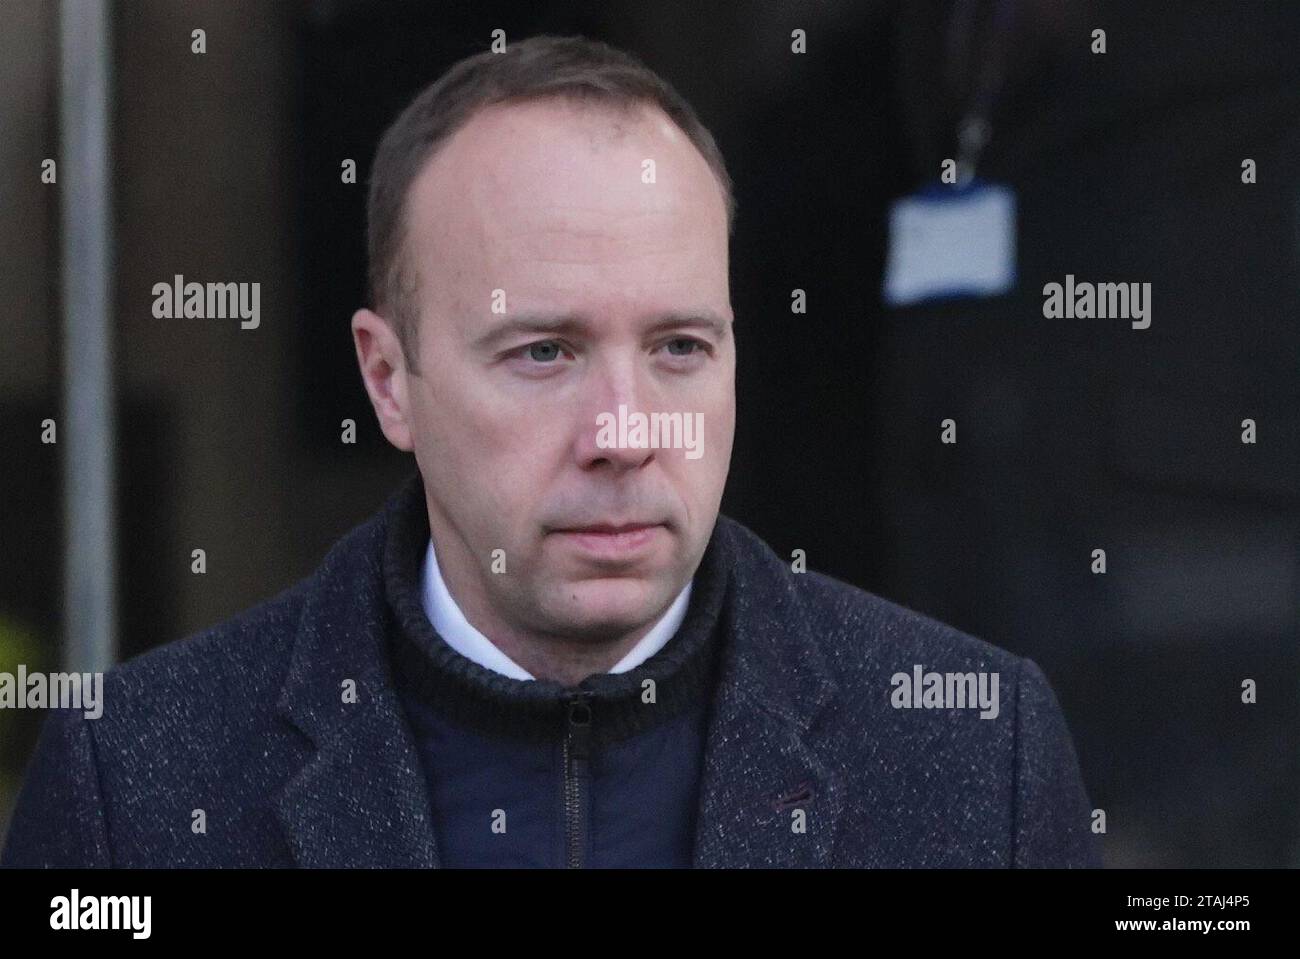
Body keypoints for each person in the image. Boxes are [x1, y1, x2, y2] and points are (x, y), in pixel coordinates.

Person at [2, 34, 1099, 868]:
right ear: (389, 380)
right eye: (542, 352)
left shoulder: (972, 756)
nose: (623, 432)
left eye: (678, 346)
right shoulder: (139, 785)